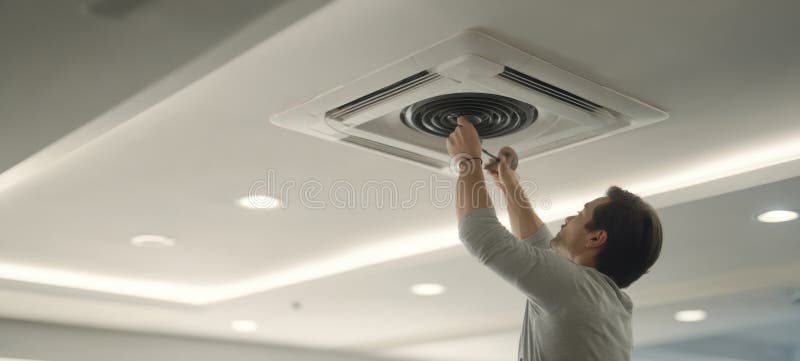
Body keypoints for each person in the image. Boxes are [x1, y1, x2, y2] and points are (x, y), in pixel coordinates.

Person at [446, 116, 663, 361]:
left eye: (581, 214)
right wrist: (509, 185)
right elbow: (540, 248)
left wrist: (467, 160)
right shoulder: (606, 301)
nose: (570, 217)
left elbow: (479, 233)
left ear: (595, 238)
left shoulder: (577, 290)